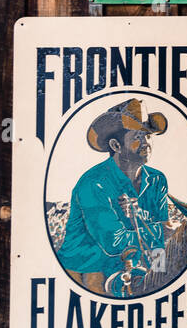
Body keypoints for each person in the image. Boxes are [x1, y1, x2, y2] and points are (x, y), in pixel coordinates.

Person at [56, 99, 179, 297]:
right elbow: (114, 242)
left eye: (148, 136)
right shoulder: (93, 184)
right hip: (85, 273)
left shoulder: (157, 180)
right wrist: (159, 231)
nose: (146, 143)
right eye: (138, 136)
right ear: (116, 145)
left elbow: (159, 243)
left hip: (129, 269)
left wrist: (159, 277)